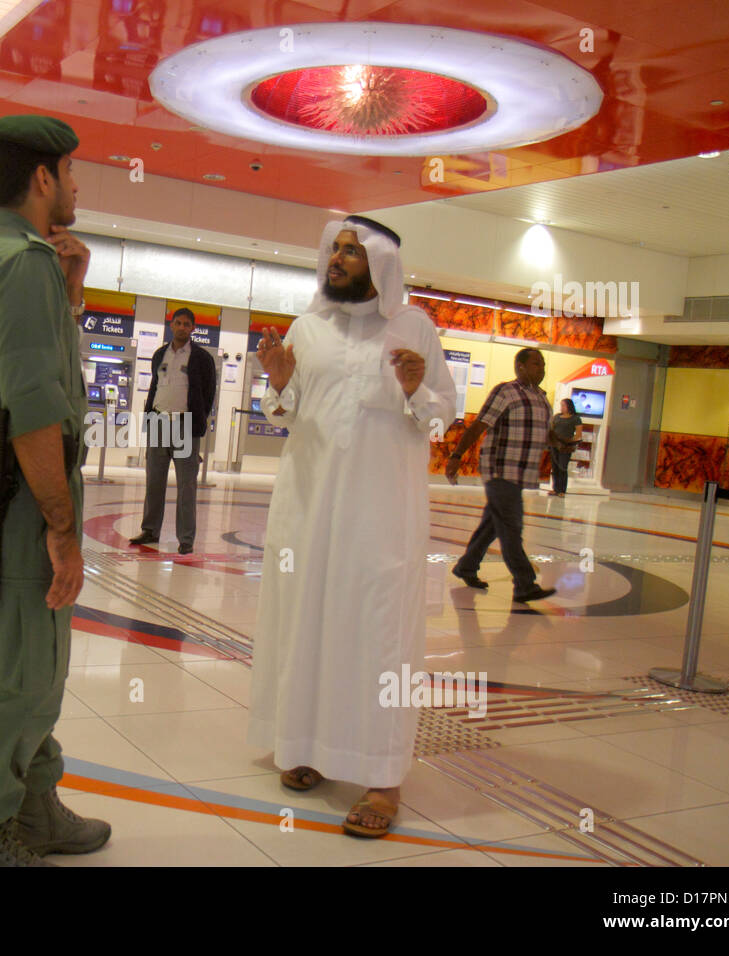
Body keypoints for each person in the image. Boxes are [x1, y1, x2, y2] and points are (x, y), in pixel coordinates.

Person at [249, 215, 456, 838]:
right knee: (307, 623)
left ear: (380, 265)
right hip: (307, 512)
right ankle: (307, 745)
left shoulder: (414, 328)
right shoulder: (307, 328)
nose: (336, 260)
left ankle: (382, 778)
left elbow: (443, 415)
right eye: (334, 250)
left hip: (379, 519)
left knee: (377, 637)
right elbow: (282, 412)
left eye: (350, 252)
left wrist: (419, 390)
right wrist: (280, 385)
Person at [0, 114, 110, 867]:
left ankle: (33, 803)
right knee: (23, 678)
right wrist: (62, 527)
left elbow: (21, 371)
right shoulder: (27, 264)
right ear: (43, 179)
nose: (76, 186)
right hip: (16, 498)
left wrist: (70, 298)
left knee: (16, 659)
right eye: (71, 172)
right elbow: (37, 417)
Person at [445, 349, 557, 602]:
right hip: (500, 470)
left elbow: (543, 432)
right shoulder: (506, 391)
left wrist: (560, 442)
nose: (542, 369)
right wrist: (456, 456)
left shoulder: (541, 398)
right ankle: (525, 583)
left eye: (543, 364)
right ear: (520, 367)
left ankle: (466, 566)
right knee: (510, 526)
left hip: (521, 473)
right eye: (536, 364)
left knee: (493, 525)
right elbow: (479, 425)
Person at [129, 307, 216, 554]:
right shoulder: (160, 354)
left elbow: (208, 393)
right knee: (153, 480)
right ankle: (150, 530)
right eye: (178, 323)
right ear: (171, 325)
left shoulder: (202, 358)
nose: (181, 327)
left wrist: (198, 422)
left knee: (186, 485)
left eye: (186, 324)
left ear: (193, 328)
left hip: (184, 426)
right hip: (158, 422)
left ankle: (186, 538)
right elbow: (155, 387)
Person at [549, 398, 583, 497]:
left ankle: (562, 490)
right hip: (555, 444)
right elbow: (551, 429)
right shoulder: (557, 417)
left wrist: (570, 442)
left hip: (566, 446)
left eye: (563, 405)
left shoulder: (575, 418)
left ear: (569, 406)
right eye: (561, 405)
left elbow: (578, 434)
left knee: (562, 467)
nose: (561, 407)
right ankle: (555, 488)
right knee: (554, 467)